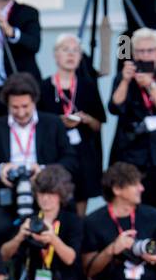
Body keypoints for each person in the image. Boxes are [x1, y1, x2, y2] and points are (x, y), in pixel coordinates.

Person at [0, 72, 79, 245]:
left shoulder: (53, 124)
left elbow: (71, 162)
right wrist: (1, 169)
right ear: (7, 104)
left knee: (66, 227)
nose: (21, 112)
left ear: (34, 101)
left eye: (25, 106)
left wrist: (44, 172)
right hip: (8, 195)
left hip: (47, 192)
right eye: (14, 107)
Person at [108, 28, 156, 209]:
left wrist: (151, 85)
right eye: (140, 51)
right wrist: (125, 81)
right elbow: (114, 107)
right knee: (133, 203)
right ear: (133, 54)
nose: (145, 56)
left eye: (150, 51)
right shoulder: (124, 78)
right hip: (132, 153)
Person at [35, 35, 106, 213]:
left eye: (75, 51)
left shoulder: (88, 86)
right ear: (55, 55)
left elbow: (99, 124)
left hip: (83, 153)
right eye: (66, 50)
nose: (71, 55)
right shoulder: (43, 87)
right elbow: (37, 123)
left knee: (81, 203)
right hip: (54, 153)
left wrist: (86, 119)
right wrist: (58, 122)